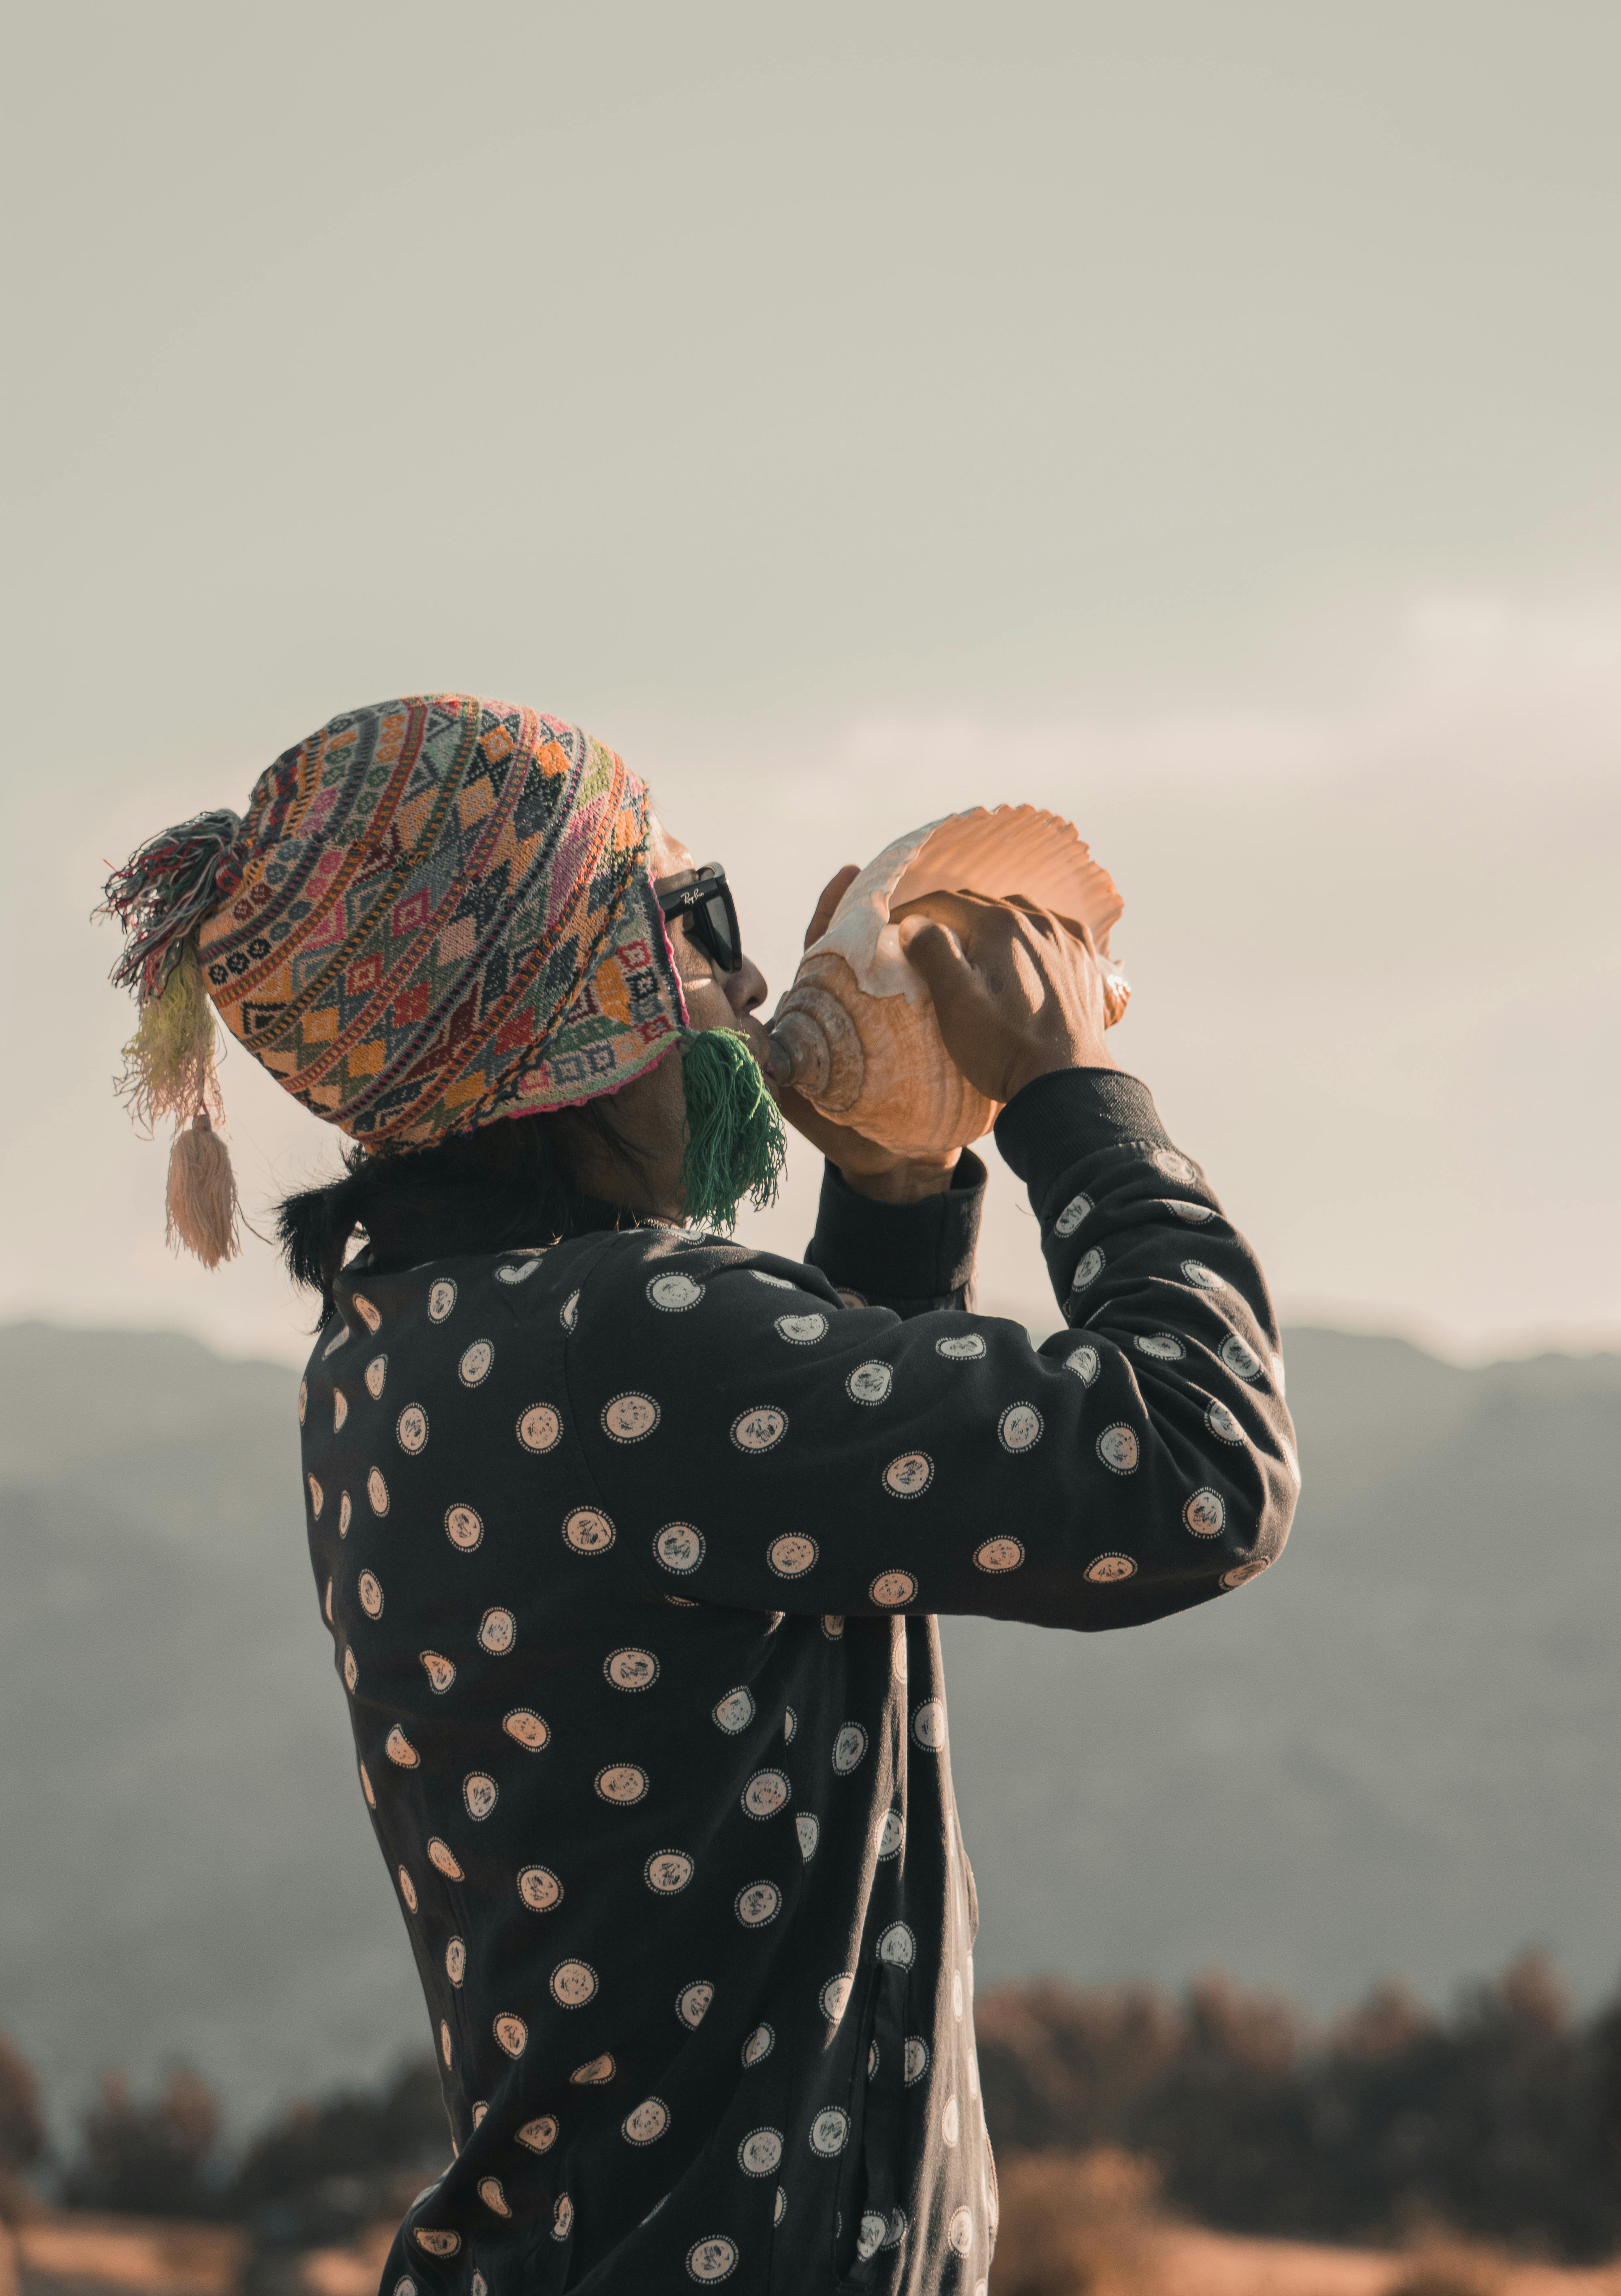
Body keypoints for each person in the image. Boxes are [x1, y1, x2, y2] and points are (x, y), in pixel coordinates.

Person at [104, 694, 1297, 2296]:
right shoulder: (633, 1340)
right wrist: (1072, 1102)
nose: (739, 981)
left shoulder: (415, 1346)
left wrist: (892, 1192)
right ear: (568, 995)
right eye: (692, 920)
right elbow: (1197, 1474)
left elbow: (790, 1516)